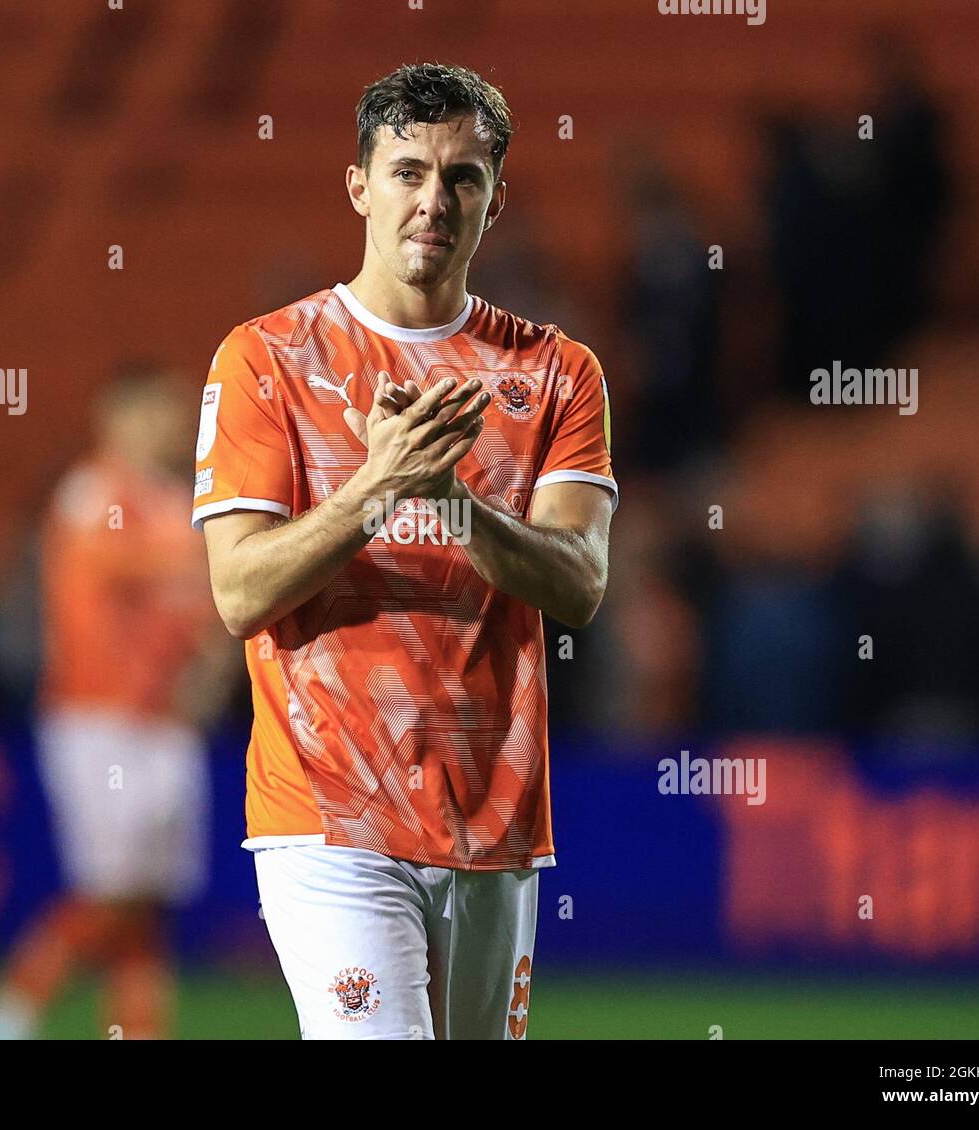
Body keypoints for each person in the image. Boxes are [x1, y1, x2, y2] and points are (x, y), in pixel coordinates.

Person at [193, 63, 617, 1040]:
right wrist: (376, 489)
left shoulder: (554, 373)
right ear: (358, 184)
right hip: (328, 815)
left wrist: (451, 503)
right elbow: (239, 591)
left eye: (463, 177)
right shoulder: (267, 359)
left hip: (493, 820)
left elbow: (580, 582)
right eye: (408, 170)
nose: (435, 198)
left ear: (495, 199)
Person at [0, 367, 240, 1039]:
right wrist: (220, 559)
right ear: (113, 417)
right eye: (150, 412)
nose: (165, 427)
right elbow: (149, 572)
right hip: (99, 719)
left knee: (149, 901)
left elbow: (212, 612)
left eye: (170, 414)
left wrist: (211, 667)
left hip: (167, 723)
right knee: (112, 889)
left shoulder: (180, 502)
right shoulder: (92, 495)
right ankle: (8, 1015)